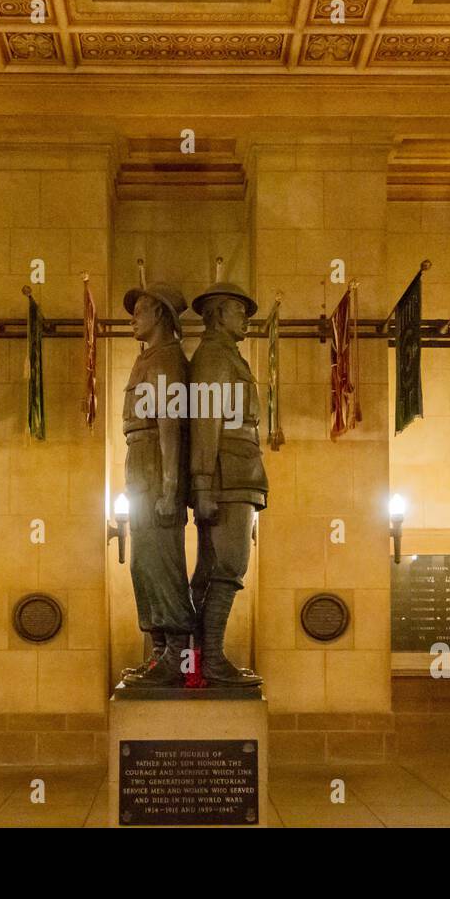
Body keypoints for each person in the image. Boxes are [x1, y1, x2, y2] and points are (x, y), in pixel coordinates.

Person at [188, 282, 266, 687]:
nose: (246, 318)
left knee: (218, 569)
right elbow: (205, 422)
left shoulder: (228, 356)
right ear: (218, 313)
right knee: (227, 569)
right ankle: (211, 660)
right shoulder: (213, 357)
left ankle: (199, 659)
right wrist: (202, 486)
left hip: (239, 477)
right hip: (226, 479)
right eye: (239, 310)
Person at [120, 282, 195, 688]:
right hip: (140, 462)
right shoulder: (147, 358)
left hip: (155, 464)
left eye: (142, 309)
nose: (134, 317)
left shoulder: (167, 360)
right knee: (143, 563)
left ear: (162, 316)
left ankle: (178, 660)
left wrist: (170, 490)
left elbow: (170, 428)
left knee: (163, 563)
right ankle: (159, 654)